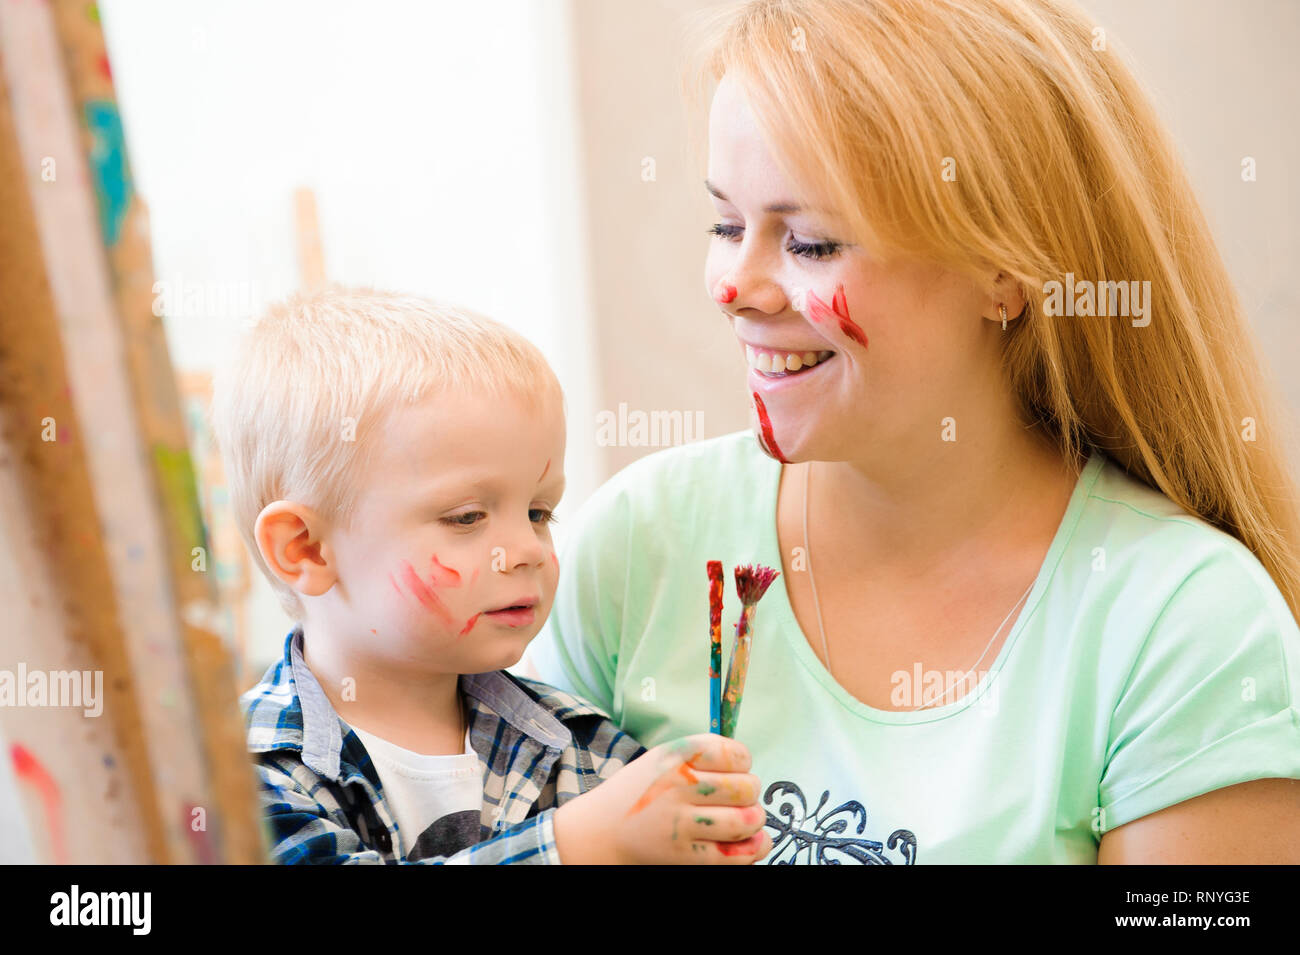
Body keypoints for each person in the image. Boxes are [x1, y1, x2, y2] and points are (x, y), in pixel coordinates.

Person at [528, 0, 1300, 863]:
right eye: (726, 225)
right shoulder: (636, 548)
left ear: (1004, 272)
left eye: (812, 243)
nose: (734, 285)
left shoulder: (1186, 628)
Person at [212, 286, 773, 864]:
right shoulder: (243, 772)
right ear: (305, 549)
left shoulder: (578, 744)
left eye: (538, 513)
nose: (526, 550)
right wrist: (580, 845)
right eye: (467, 517)